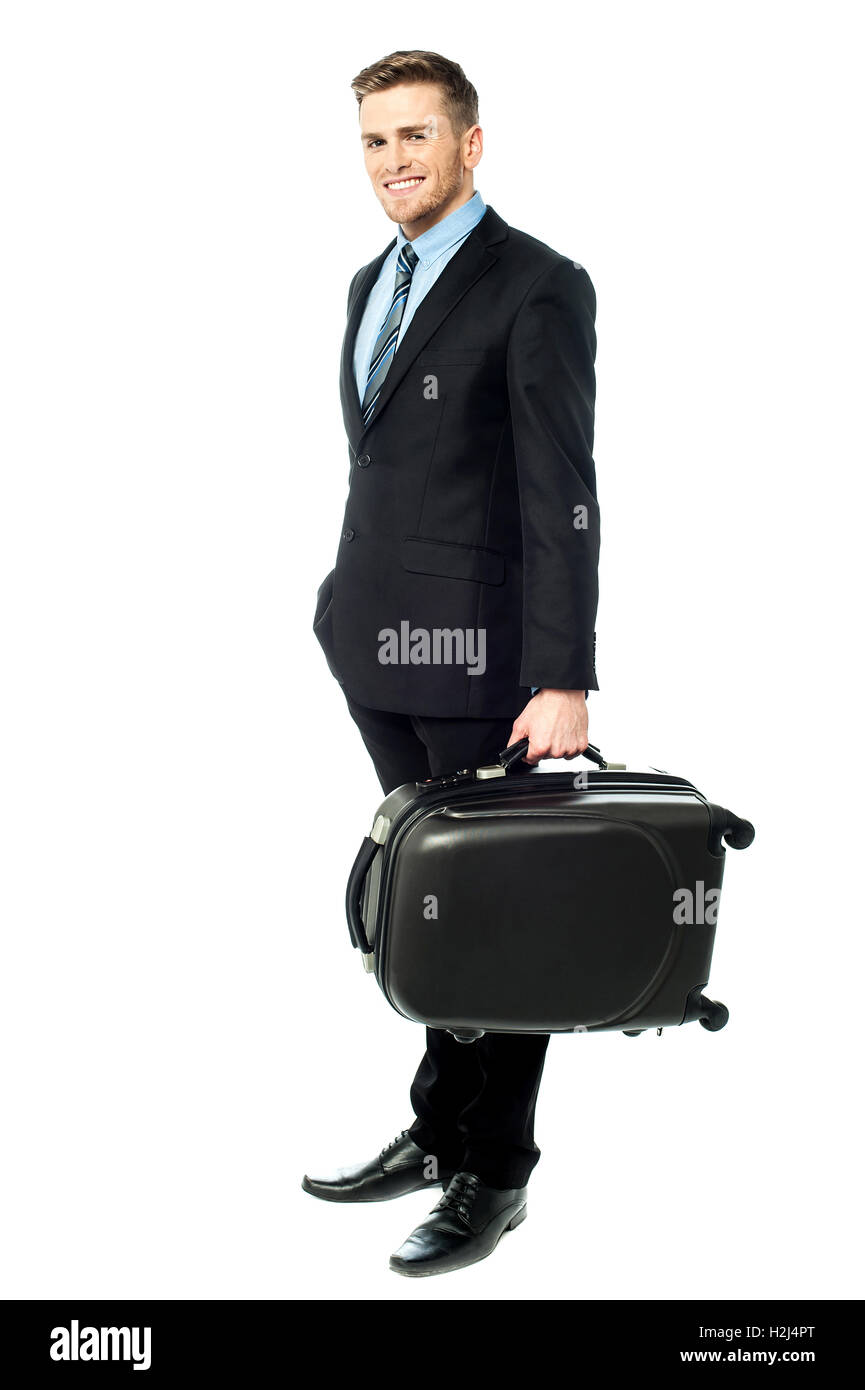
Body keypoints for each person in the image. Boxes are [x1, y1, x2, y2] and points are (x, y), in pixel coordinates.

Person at [306, 49, 600, 1277]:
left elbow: (561, 491)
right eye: (375, 141)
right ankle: (439, 1129)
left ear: (469, 143)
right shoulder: (371, 280)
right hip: (376, 649)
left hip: (486, 666)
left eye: (415, 135)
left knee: (500, 917)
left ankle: (497, 1170)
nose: (393, 161)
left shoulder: (537, 286)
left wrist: (562, 676)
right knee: (431, 905)